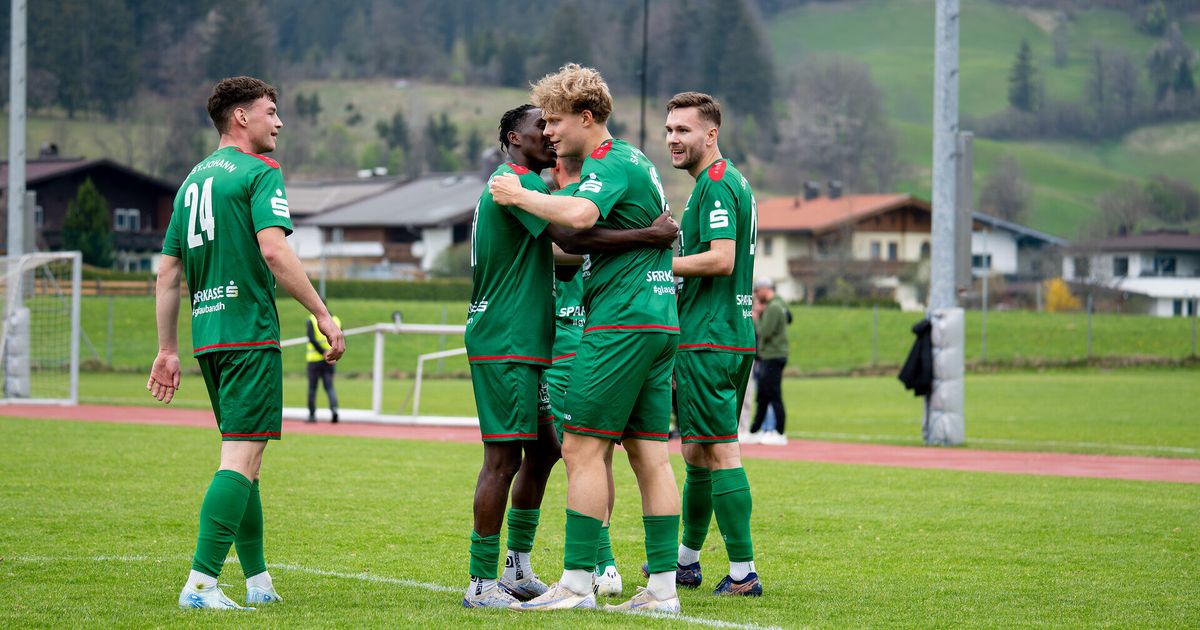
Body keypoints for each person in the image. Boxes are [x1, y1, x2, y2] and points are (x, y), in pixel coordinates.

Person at [490, 63, 682, 614]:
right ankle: (662, 591)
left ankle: (576, 584)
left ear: (587, 117)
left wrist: (518, 195)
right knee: (650, 456)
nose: (549, 131)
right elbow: (582, 236)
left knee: (580, 447)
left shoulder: (609, 160)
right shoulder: (635, 160)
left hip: (621, 322)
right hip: (658, 318)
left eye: (555, 121)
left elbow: (577, 215)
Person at [148, 76, 345, 611]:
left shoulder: (191, 182)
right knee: (240, 459)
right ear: (242, 117)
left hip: (209, 339)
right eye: (271, 111)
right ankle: (201, 585)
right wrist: (321, 313)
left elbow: (167, 273)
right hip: (248, 333)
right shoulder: (260, 171)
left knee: (247, 459)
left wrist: (168, 350)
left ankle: (257, 582)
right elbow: (275, 253)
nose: (279, 122)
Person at [665, 92, 762, 596]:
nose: (672, 139)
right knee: (698, 449)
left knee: (720, 450)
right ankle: (686, 562)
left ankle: (743, 573)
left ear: (711, 134)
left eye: (683, 130)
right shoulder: (729, 181)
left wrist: (656, 264)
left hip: (710, 335)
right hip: (729, 332)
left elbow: (722, 259)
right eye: (669, 130)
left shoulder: (717, 183)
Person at [750, 277, 789, 445]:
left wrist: (757, 318)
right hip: (771, 355)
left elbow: (764, 332)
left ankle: (779, 432)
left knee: (773, 394)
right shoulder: (779, 304)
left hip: (773, 355)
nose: (757, 295)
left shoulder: (773, 307)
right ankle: (755, 430)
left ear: (765, 289)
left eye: (757, 291)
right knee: (763, 395)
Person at [306, 307, 342, 422]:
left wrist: (323, 352)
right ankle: (334, 410)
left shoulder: (312, 319)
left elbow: (311, 339)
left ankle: (312, 415)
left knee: (312, 388)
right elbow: (341, 339)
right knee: (329, 387)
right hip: (330, 359)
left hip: (314, 359)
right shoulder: (336, 320)